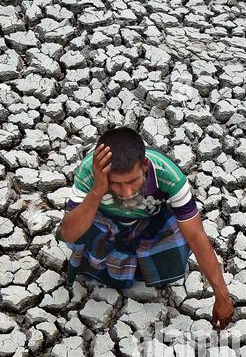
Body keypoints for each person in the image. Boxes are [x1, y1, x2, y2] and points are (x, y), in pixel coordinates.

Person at [58, 127, 235, 329]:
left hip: (150, 225)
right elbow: (69, 232)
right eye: (116, 183)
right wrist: (98, 189)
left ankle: (130, 264)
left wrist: (222, 297)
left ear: (145, 165)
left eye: (133, 181)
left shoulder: (168, 175)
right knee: (84, 229)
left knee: (178, 243)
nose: (126, 192)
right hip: (106, 223)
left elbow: (196, 236)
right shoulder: (91, 171)